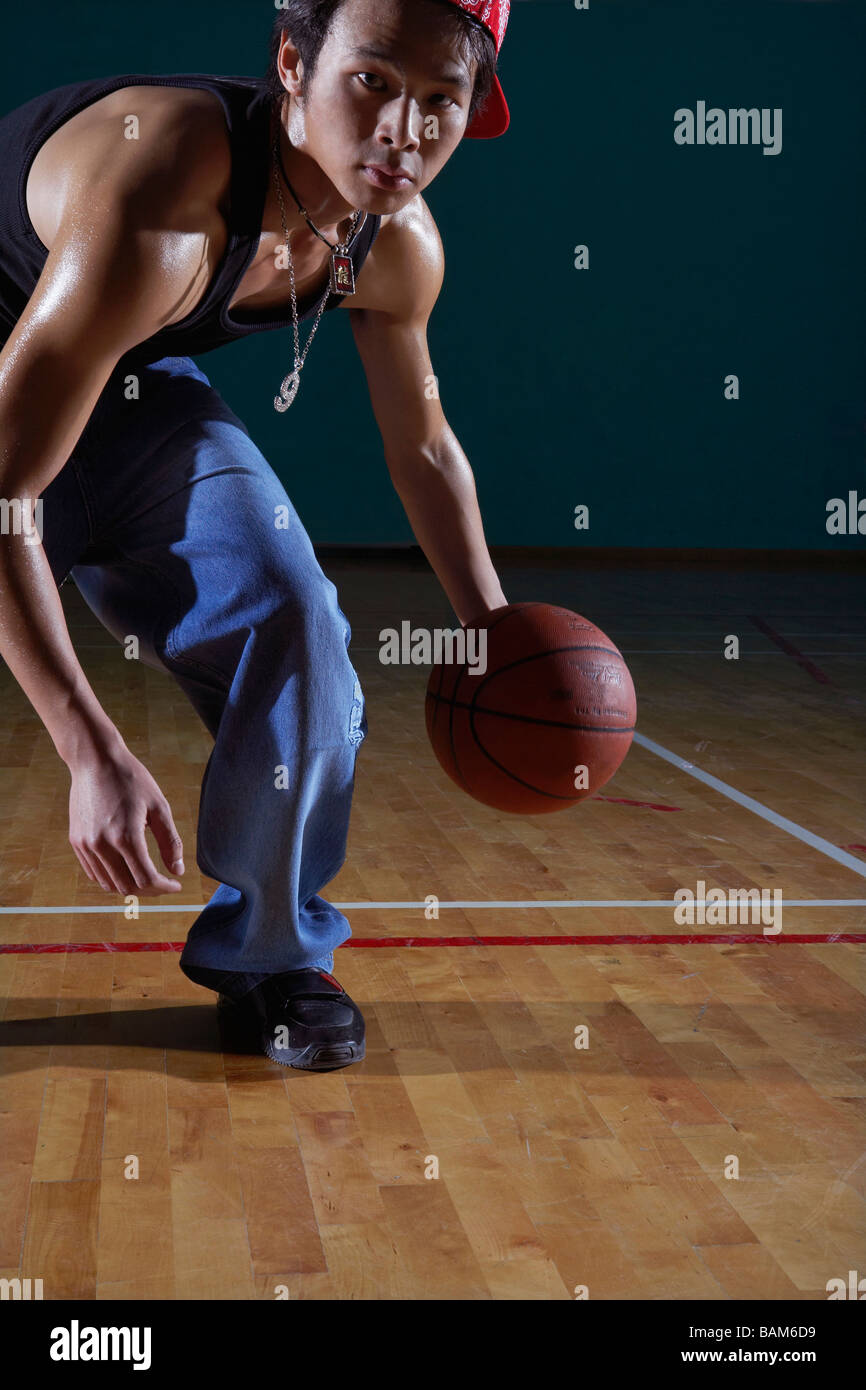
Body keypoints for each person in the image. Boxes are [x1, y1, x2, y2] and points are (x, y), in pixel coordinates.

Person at [0, 0, 511, 1070]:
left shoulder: (398, 245)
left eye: (439, 103)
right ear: (292, 62)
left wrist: (492, 628)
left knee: (297, 621)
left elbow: (422, 449)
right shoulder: (161, 197)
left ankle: (269, 958)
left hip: (125, 384)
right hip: (28, 381)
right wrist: (88, 746)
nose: (402, 133)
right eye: (371, 83)